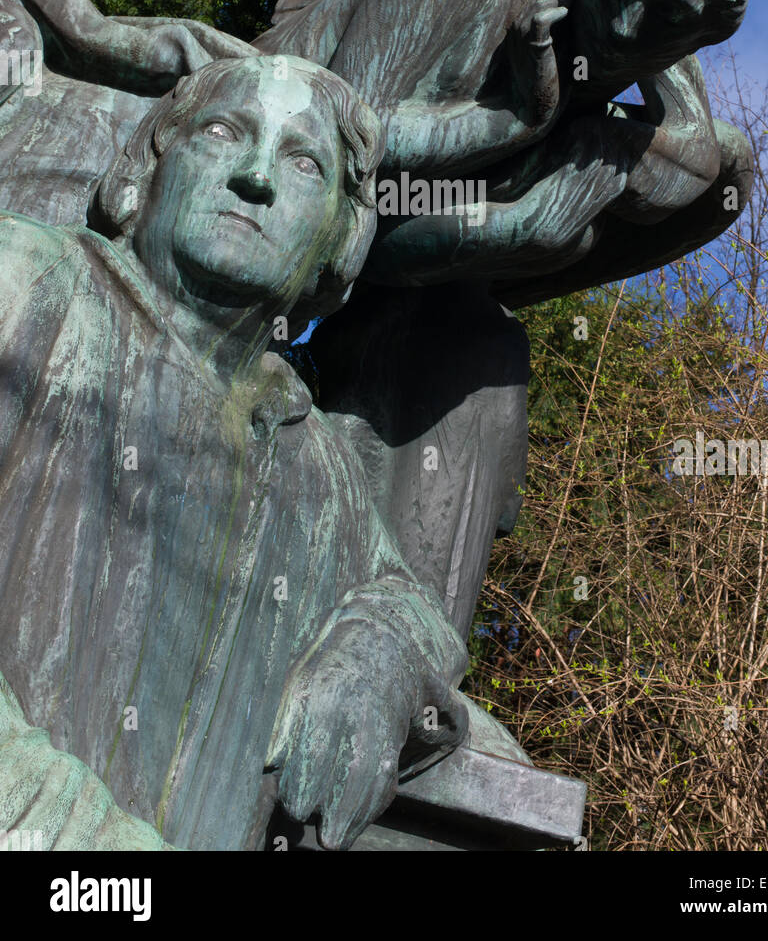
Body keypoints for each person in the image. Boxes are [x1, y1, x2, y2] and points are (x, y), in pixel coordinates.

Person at [0, 54, 466, 852]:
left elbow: (409, 604)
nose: (256, 179)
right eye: (223, 132)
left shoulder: (311, 457)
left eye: (304, 163)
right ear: (139, 173)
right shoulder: (26, 283)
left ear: (339, 243)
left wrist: (377, 653)